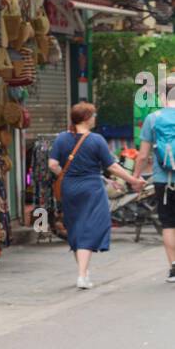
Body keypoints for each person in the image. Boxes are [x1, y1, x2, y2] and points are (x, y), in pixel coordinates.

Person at [48, 101, 143, 289]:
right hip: (91, 189)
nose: (94, 119)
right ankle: (82, 276)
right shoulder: (96, 140)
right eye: (93, 116)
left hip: (70, 188)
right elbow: (112, 166)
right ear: (86, 118)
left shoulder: (61, 138)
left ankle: (83, 271)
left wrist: (65, 176)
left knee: (75, 227)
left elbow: (52, 164)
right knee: (92, 227)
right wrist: (132, 180)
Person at [132, 84, 175, 283]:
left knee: (168, 224)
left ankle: (173, 268)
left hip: (163, 180)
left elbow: (142, 155)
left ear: (161, 95)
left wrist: (136, 177)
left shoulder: (153, 119)